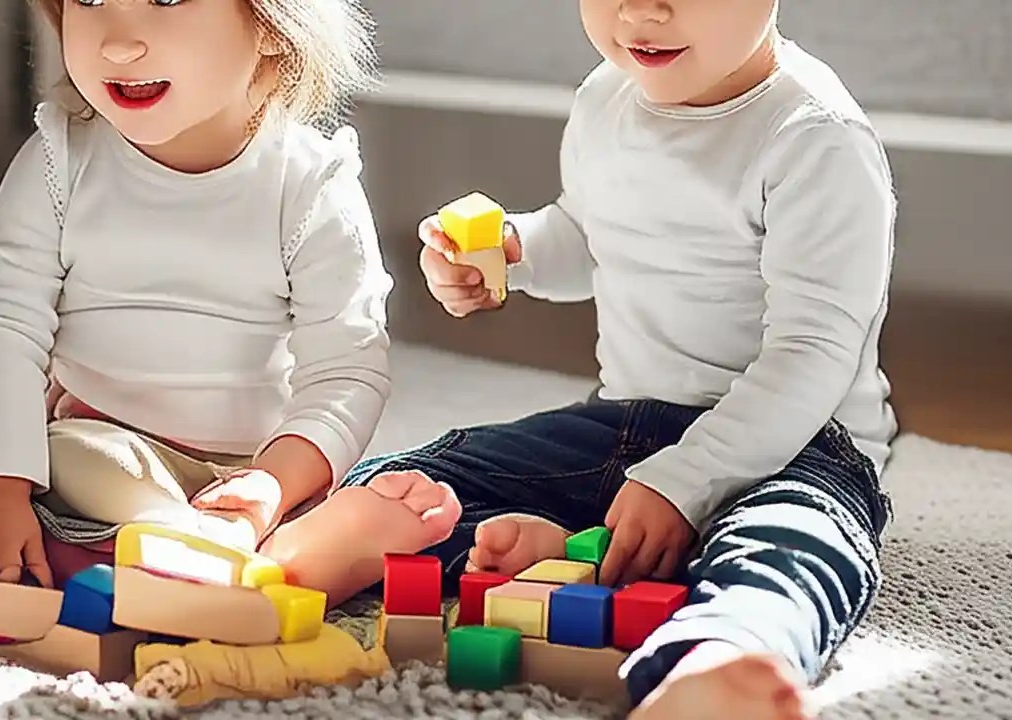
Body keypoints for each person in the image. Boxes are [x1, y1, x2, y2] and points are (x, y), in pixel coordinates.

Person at [337, 0, 897, 717]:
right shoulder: (606, 94)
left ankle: (723, 656)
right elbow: (591, 237)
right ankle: (578, 553)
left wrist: (685, 480)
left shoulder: (815, 139)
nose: (640, 11)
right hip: (628, 423)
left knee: (788, 548)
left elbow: (813, 351)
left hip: (799, 444)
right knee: (399, 490)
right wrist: (516, 250)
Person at [0, 0, 409, 592]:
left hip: (249, 471)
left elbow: (346, 371)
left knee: (351, 492)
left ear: (273, 25)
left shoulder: (311, 185)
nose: (119, 44)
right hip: (95, 457)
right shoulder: (58, 161)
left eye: (166, 0)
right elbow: (2, 326)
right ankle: (200, 563)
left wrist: (271, 485)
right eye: (91, 0)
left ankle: (173, 554)